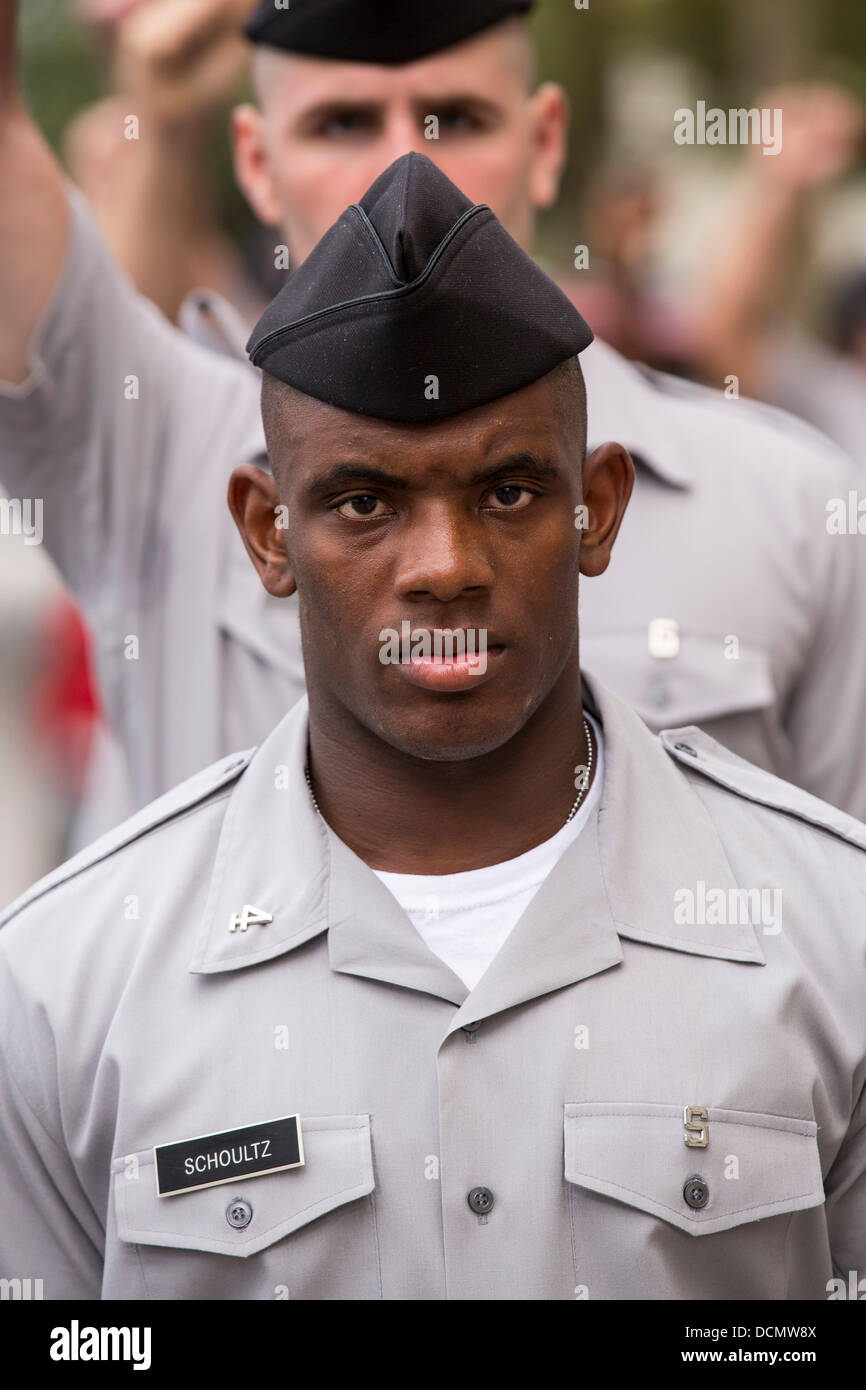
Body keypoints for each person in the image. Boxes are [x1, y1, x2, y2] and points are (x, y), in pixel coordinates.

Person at [0, 156, 863, 1301]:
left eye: (506, 491)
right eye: (364, 501)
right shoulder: (67, 982)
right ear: (266, 533)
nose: (444, 569)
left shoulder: (829, 934)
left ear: (594, 508)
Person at [2, 0, 866, 838]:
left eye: (456, 117)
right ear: (258, 166)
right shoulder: (160, 455)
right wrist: (157, 113)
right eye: (341, 123)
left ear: (546, 143)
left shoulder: (790, 505)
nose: (404, 169)